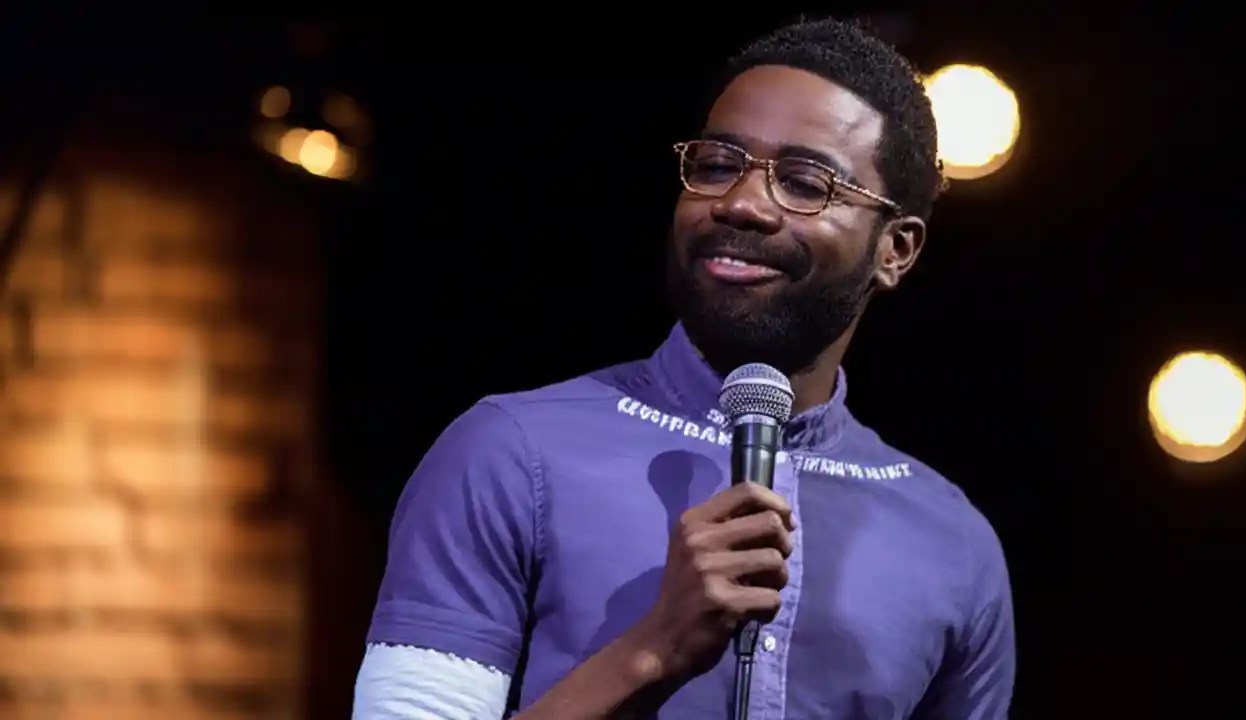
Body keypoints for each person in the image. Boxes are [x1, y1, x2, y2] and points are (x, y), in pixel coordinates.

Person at [353, 15, 1015, 720]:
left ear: (896, 250)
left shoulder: (954, 543)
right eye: (717, 165)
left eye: (804, 182)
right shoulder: (509, 452)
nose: (741, 203)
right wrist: (653, 651)